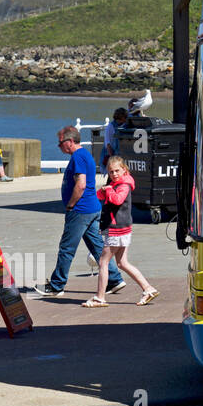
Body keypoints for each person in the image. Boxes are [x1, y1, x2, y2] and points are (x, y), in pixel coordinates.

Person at [38, 126, 124, 298]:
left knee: (67, 248)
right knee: (97, 247)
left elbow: (81, 184)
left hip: (81, 210)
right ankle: (114, 280)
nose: (58, 146)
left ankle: (57, 285)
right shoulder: (84, 155)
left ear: (70, 142)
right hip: (92, 209)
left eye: (60, 143)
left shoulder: (78, 156)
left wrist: (70, 205)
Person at [82, 157, 159, 307]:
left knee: (103, 262)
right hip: (122, 229)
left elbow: (117, 200)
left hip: (117, 229)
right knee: (122, 263)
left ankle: (100, 297)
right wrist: (103, 190)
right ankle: (148, 289)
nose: (114, 174)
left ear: (124, 169)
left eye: (117, 171)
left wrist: (109, 189)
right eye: (111, 172)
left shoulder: (124, 185)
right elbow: (101, 196)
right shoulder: (115, 183)